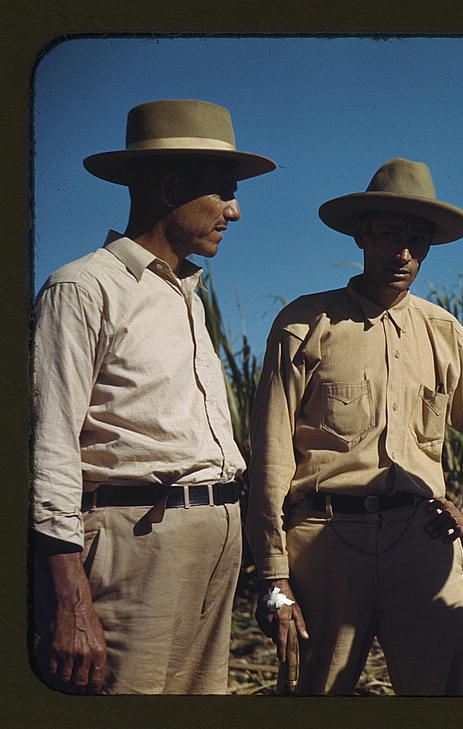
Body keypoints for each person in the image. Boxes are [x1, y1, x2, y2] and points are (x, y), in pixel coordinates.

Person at [245, 158, 463, 695]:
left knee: (444, 692)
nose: (404, 254)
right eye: (390, 236)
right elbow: (272, 451)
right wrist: (274, 575)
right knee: (315, 694)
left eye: (417, 240)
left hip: (422, 540)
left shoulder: (443, 331)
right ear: (361, 236)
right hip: (324, 544)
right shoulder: (306, 324)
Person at [30, 99, 276, 693]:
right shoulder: (83, 287)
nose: (235, 212)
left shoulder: (186, 295)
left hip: (212, 537)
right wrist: (69, 599)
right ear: (170, 187)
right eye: (224, 193)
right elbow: (48, 447)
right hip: (133, 542)